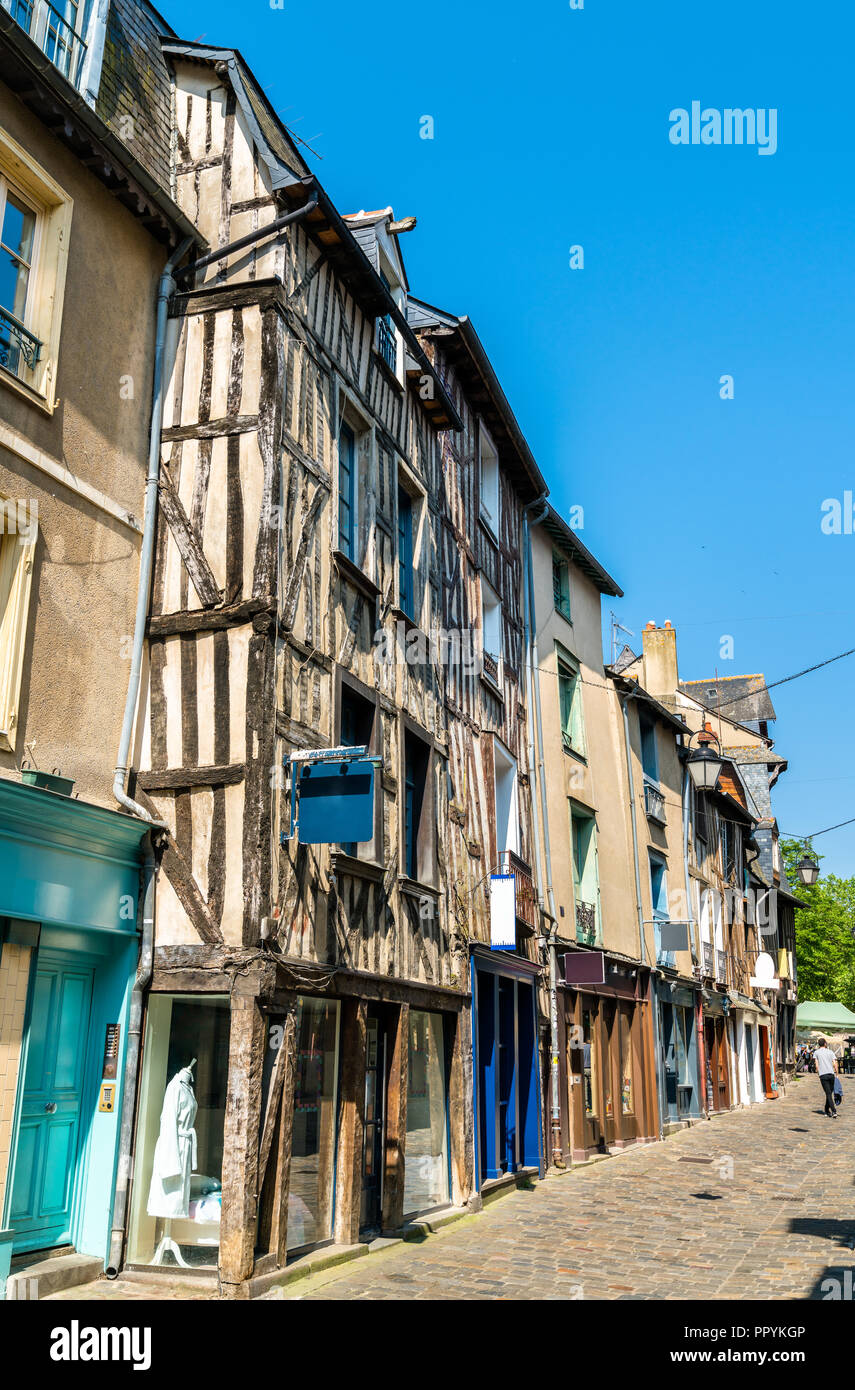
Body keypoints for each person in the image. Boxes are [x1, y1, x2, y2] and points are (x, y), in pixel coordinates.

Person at [813, 1037, 839, 1117]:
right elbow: (835, 1064)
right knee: (829, 1093)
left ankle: (832, 1111)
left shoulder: (816, 1053)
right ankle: (828, 1110)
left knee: (828, 1093)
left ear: (819, 1044)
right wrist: (837, 1074)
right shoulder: (830, 1052)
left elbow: (816, 1065)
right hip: (831, 1075)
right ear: (825, 1044)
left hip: (823, 1075)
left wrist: (818, 1073)